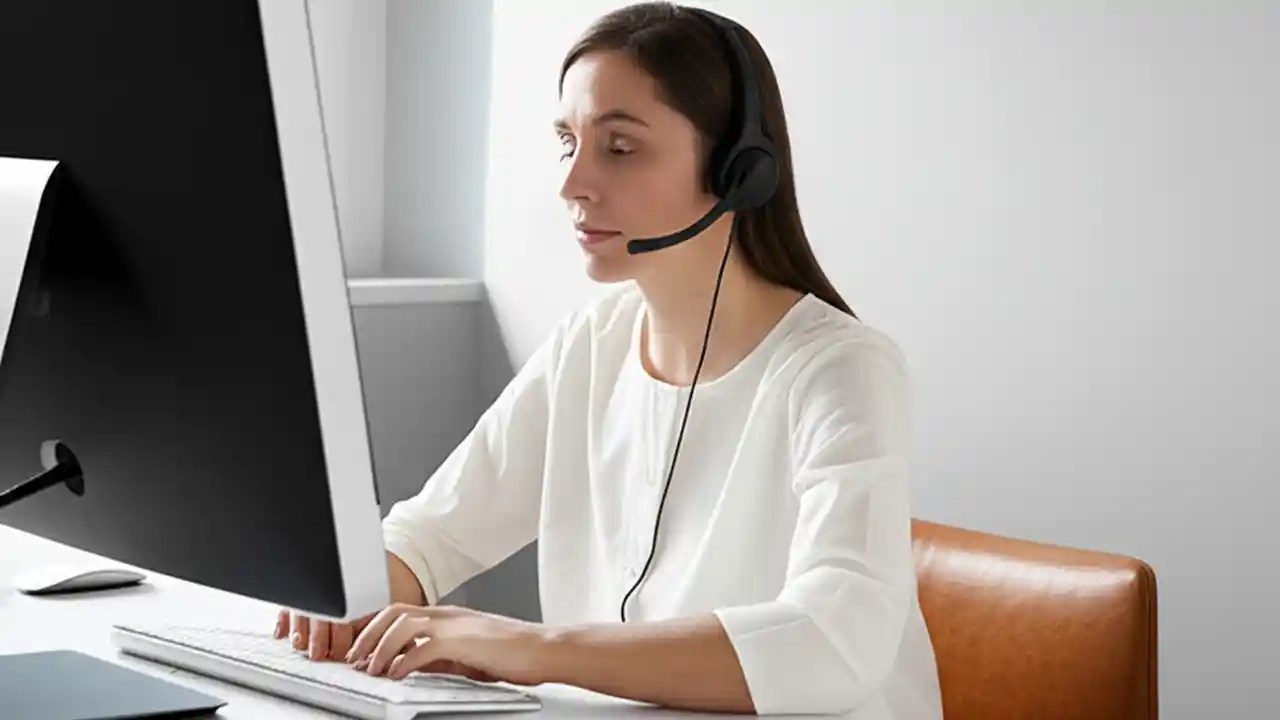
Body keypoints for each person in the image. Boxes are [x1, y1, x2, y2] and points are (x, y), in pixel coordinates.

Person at [275, 3, 942, 717]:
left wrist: (529, 649)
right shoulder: (590, 348)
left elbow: (831, 642)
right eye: (568, 141)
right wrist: (346, 593)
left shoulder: (841, 370)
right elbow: (428, 537)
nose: (572, 184)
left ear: (738, 171)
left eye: (619, 148)